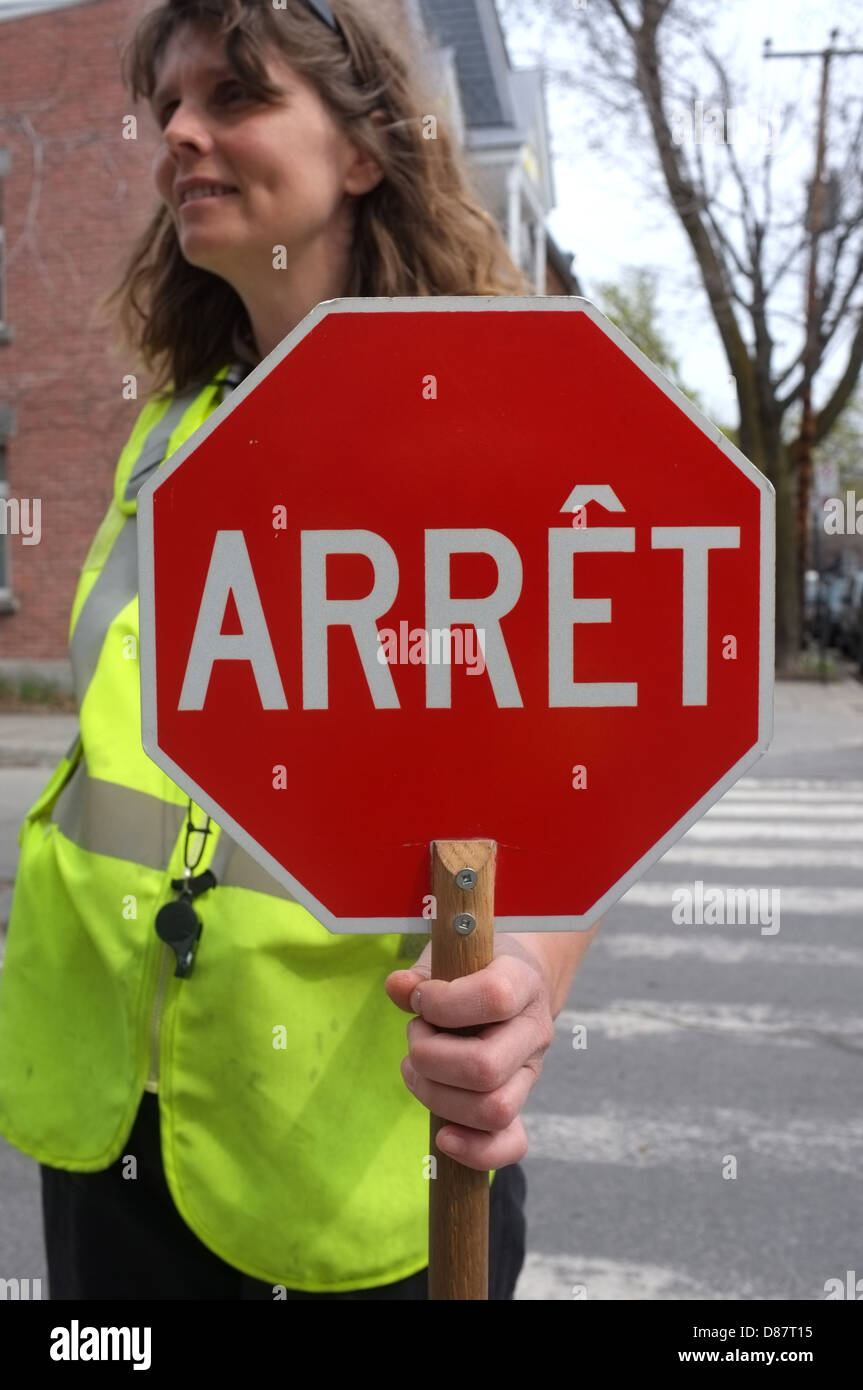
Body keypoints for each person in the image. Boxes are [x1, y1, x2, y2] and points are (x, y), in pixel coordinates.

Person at [0, 0, 600, 1300]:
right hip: (109, 1113)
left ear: (366, 150)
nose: (180, 133)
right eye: (167, 105)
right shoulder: (164, 430)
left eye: (234, 96)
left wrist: (520, 986)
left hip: (336, 1163)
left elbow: (581, 776)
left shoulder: (480, 432)